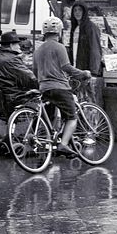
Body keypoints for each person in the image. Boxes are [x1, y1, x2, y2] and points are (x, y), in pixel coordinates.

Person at [33, 16, 91, 158]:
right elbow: (66, 67)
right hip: (60, 87)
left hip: (44, 88)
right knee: (72, 117)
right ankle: (63, 144)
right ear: (59, 32)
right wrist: (83, 73)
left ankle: (51, 139)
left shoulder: (37, 50)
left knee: (50, 116)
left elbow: (35, 71)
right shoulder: (59, 47)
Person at [0, 31, 38, 119]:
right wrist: (41, 85)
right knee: (49, 98)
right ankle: (41, 128)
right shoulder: (12, 59)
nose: (19, 46)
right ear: (11, 45)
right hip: (15, 97)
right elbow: (30, 78)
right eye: (17, 44)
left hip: (4, 96)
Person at [68, 0, 102, 76]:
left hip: (87, 71)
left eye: (80, 10)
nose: (77, 12)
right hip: (76, 69)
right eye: (75, 10)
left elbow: (95, 49)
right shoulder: (74, 28)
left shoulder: (91, 27)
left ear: (84, 12)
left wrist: (93, 71)